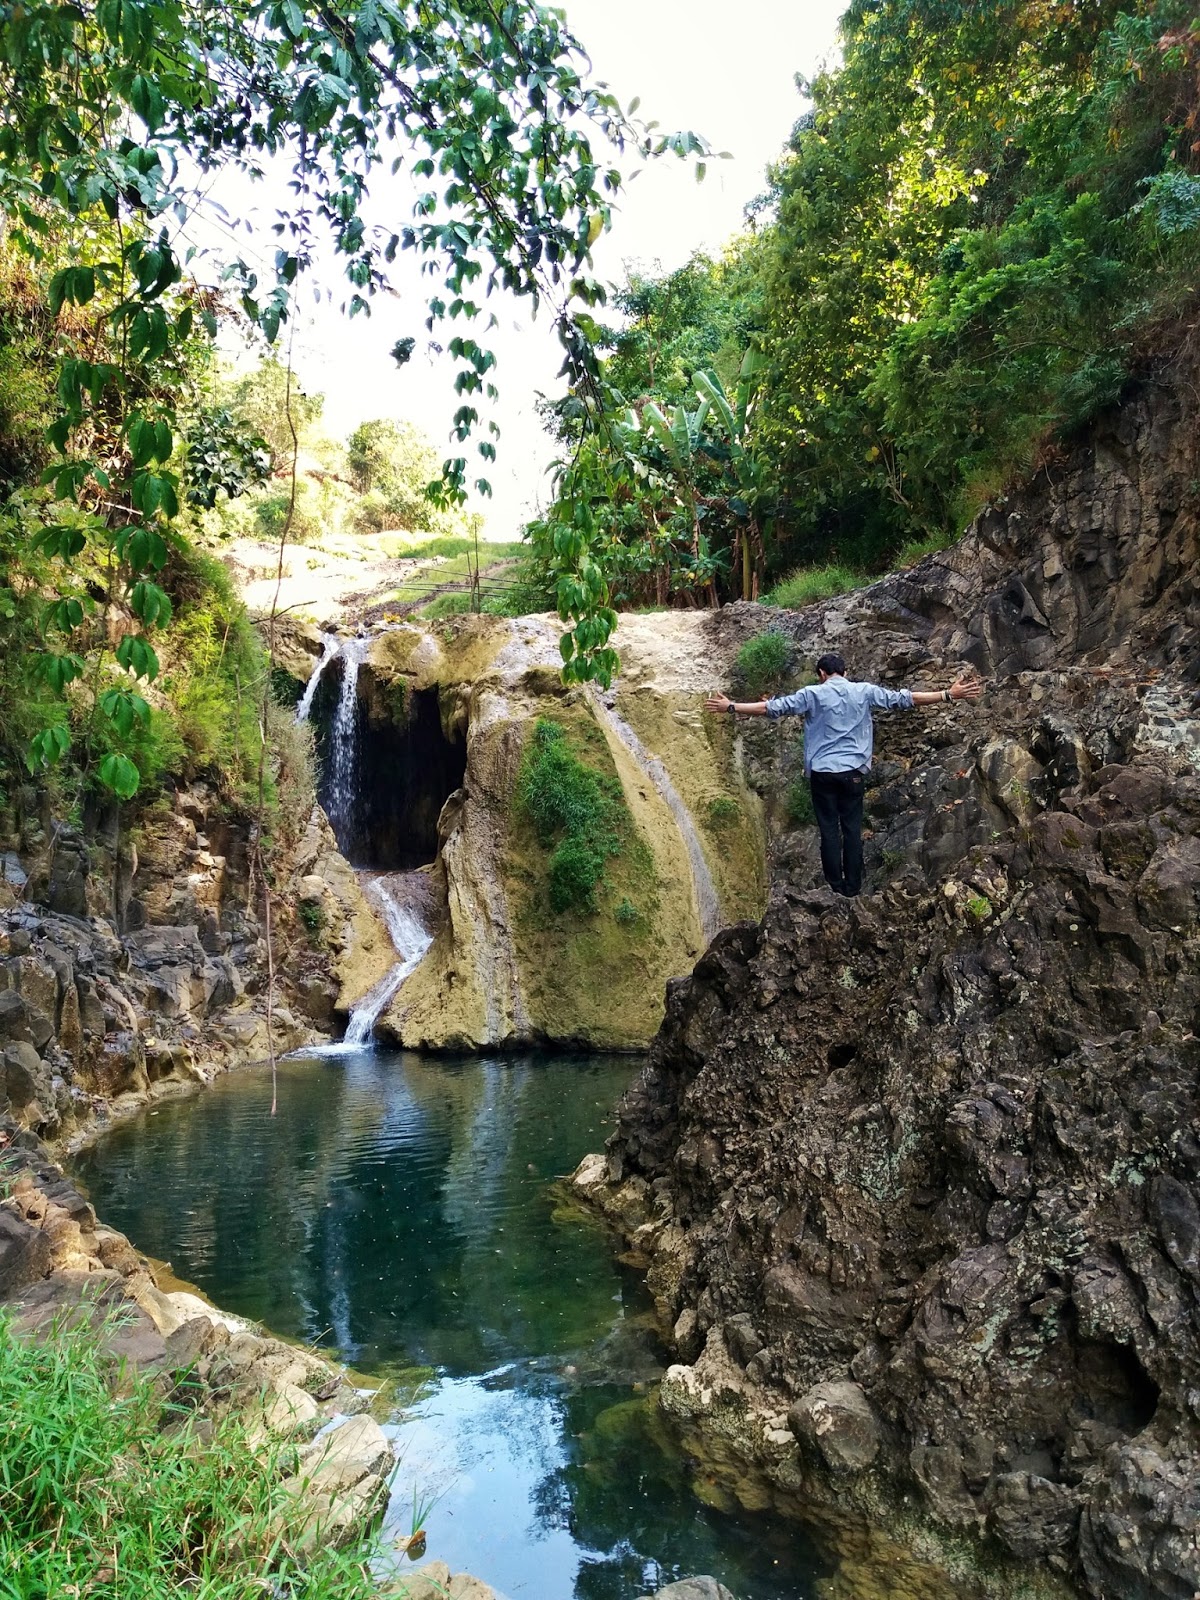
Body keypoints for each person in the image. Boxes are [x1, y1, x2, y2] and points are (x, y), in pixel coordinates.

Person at [705, 653, 983, 897]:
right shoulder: (863, 691)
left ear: (821, 674)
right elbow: (905, 699)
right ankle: (852, 889)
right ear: (845, 672)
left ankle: (833, 888)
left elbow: (771, 708)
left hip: (823, 773)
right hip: (853, 773)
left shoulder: (811, 694)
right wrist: (948, 694)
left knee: (829, 831)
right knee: (851, 830)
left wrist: (731, 706)